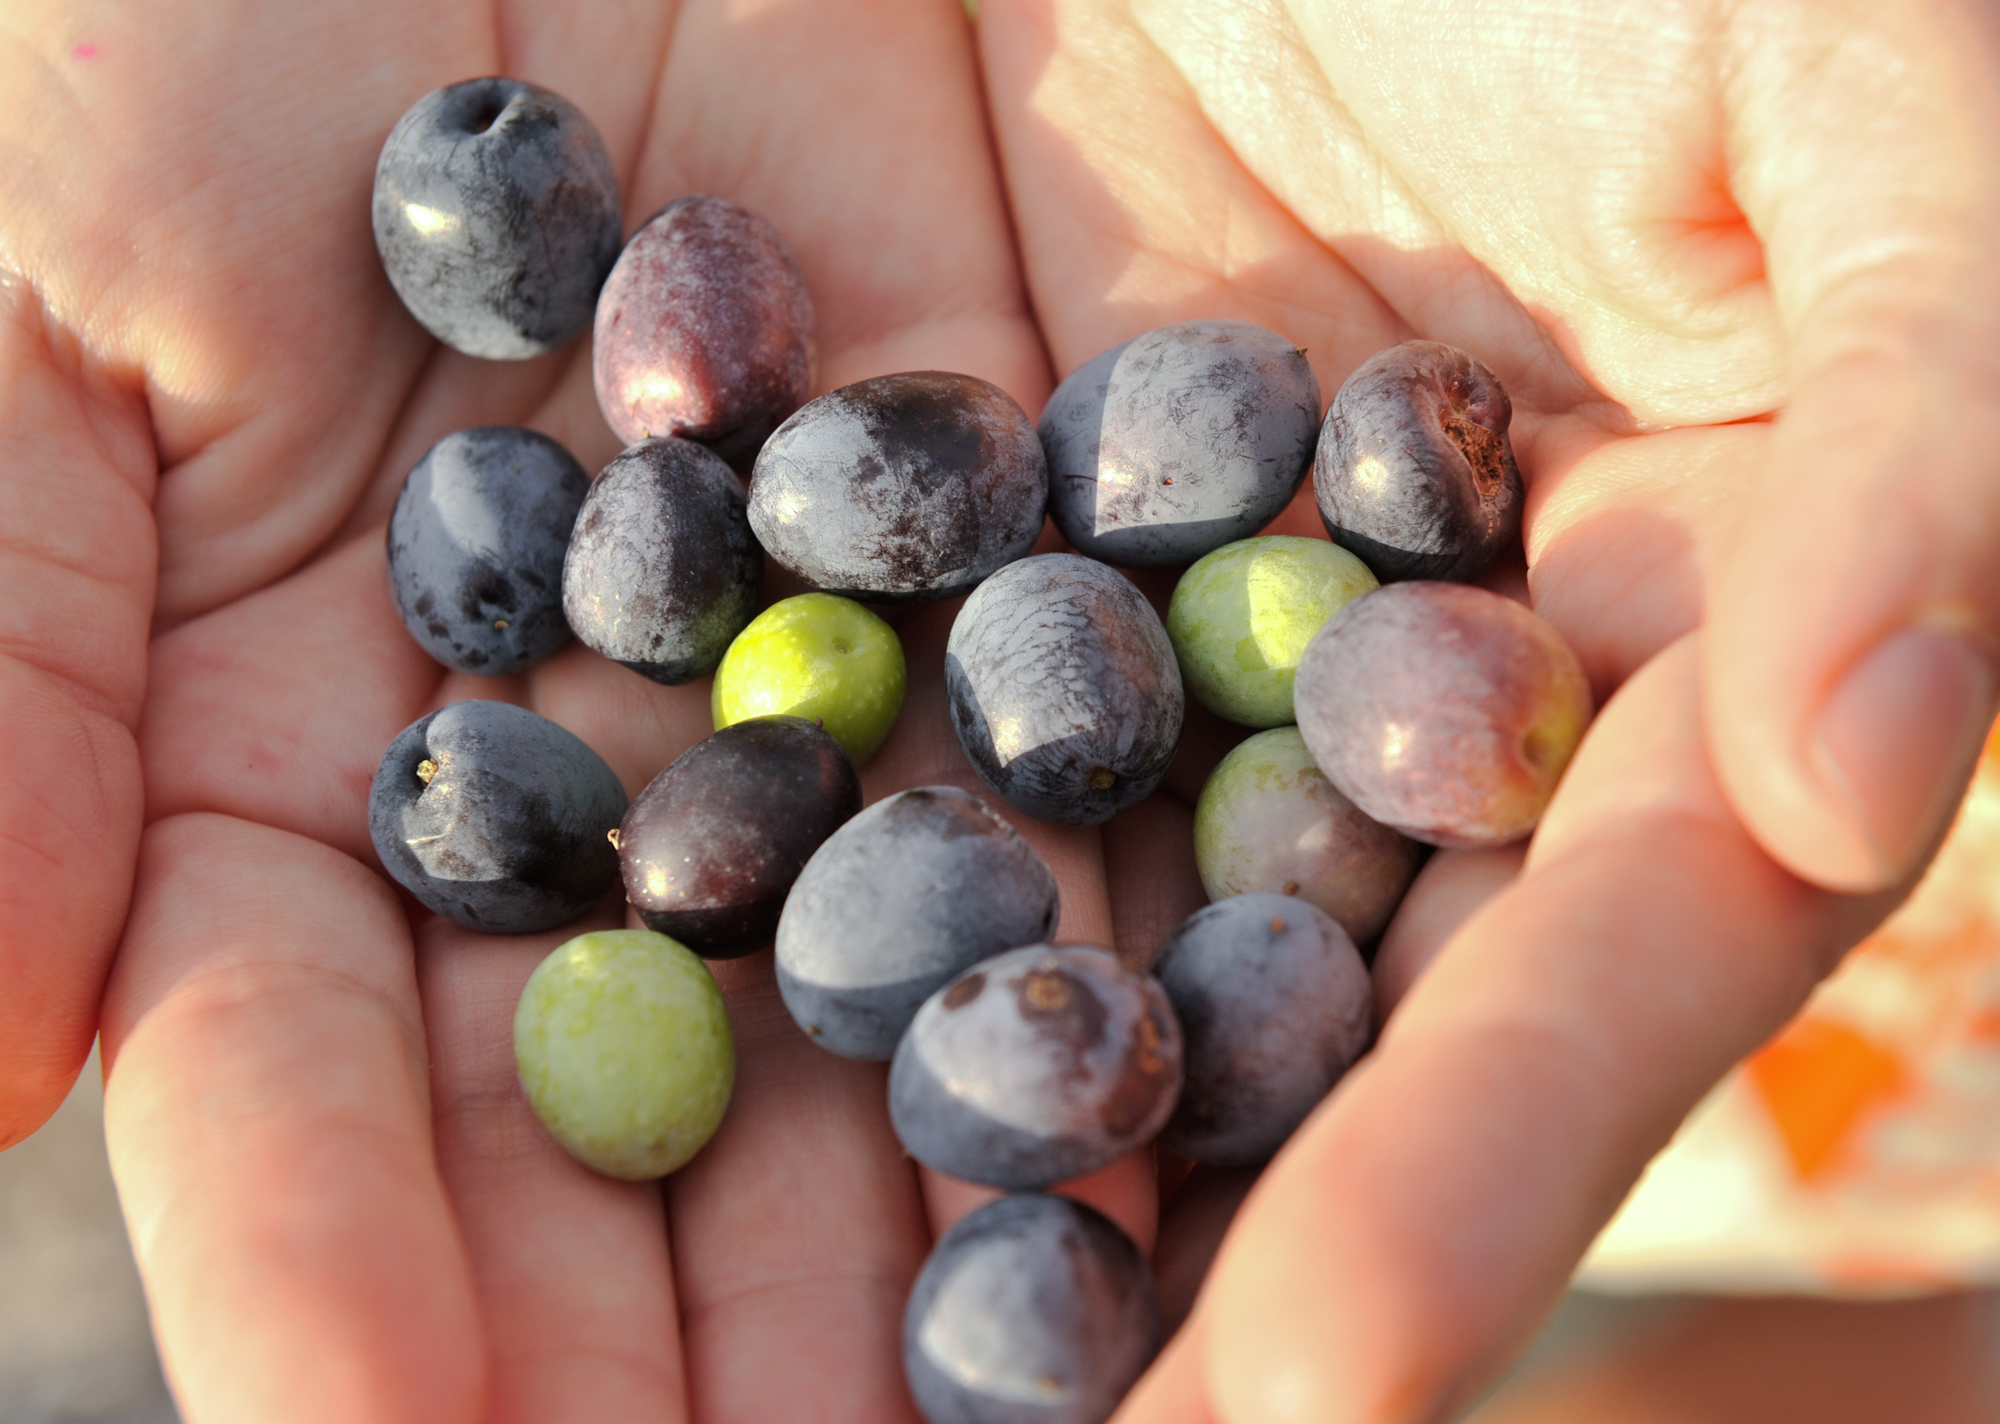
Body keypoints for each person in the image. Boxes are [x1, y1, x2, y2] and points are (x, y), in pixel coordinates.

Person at [3, 0, 1996, 1419]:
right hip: (1797, 856)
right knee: (1509, 1246)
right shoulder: (707, 583)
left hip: (1845, 758)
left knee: (1766, 1214)